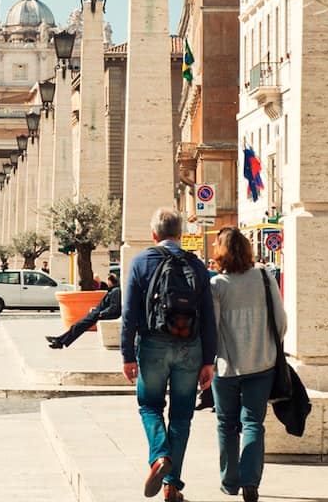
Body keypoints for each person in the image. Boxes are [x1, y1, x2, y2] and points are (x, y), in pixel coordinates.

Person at [121, 208, 217, 502]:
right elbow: (209, 317)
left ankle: (159, 456)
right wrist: (208, 360)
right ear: (180, 234)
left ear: (154, 235)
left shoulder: (141, 263)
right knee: (182, 416)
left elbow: (129, 314)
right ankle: (171, 485)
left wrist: (127, 354)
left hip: (152, 345)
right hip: (190, 347)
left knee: (149, 406)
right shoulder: (197, 266)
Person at [210, 228, 286, 502]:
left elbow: (214, 329)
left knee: (226, 423)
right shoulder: (265, 277)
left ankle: (229, 482)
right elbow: (281, 322)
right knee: (253, 421)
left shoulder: (217, 285)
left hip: (227, 367)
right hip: (262, 364)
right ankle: (250, 480)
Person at [48, 273, 122, 348]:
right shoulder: (113, 290)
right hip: (97, 313)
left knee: (78, 326)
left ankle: (60, 341)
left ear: (110, 281)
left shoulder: (116, 291)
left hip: (99, 314)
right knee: (77, 326)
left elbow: (114, 307)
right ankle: (60, 340)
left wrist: (102, 313)